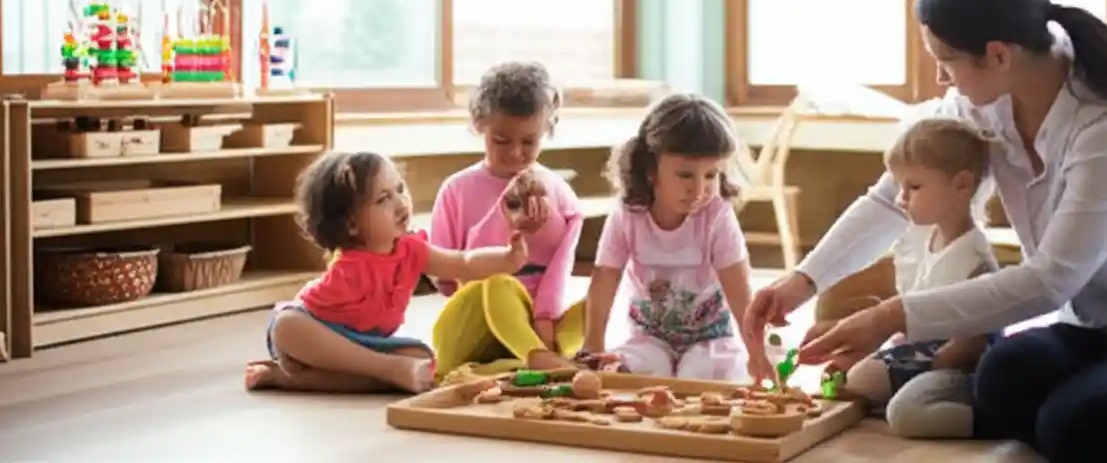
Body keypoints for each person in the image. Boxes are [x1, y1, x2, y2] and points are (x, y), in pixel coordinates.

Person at [744, 0, 1107, 461]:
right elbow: (892, 197)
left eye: (946, 61)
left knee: (1074, 421)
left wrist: (890, 316)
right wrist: (801, 281)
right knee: (1003, 375)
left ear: (998, 54)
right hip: (1092, 329)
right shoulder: (982, 105)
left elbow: (1051, 281)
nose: (940, 78)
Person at [245, 151, 526, 393]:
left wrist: (508, 258)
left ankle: (292, 380)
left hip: (368, 347)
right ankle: (387, 369)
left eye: (400, 189)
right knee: (286, 326)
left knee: (420, 357)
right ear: (352, 225)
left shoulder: (412, 249)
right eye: (383, 199)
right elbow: (303, 310)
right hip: (320, 339)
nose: (401, 203)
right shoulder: (350, 262)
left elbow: (463, 262)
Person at [820, 116, 1000, 438]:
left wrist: (908, 371)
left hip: (955, 364)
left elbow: (967, 346)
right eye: (901, 186)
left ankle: (1000, 421)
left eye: (913, 187)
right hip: (918, 349)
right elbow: (908, 305)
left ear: (961, 185)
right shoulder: (920, 237)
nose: (901, 198)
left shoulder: (974, 258)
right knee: (845, 376)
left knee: (905, 412)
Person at [579, 93, 770, 381]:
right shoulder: (627, 215)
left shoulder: (717, 216)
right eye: (685, 175)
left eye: (711, 175)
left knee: (699, 373)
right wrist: (592, 344)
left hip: (710, 339)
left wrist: (757, 353)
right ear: (650, 170)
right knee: (639, 372)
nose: (699, 189)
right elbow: (605, 279)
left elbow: (739, 291)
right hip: (648, 339)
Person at [429, 61, 587, 378]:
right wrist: (506, 223)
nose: (516, 153)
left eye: (529, 142)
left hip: (536, 326)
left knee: (601, 296)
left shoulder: (556, 190)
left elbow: (557, 271)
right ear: (479, 124)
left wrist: (543, 323)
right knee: (499, 284)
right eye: (502, 140)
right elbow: (443, 277)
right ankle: (537, 359)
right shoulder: (456, 190)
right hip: (476, 323)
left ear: (546, 130)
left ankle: (523, 363)